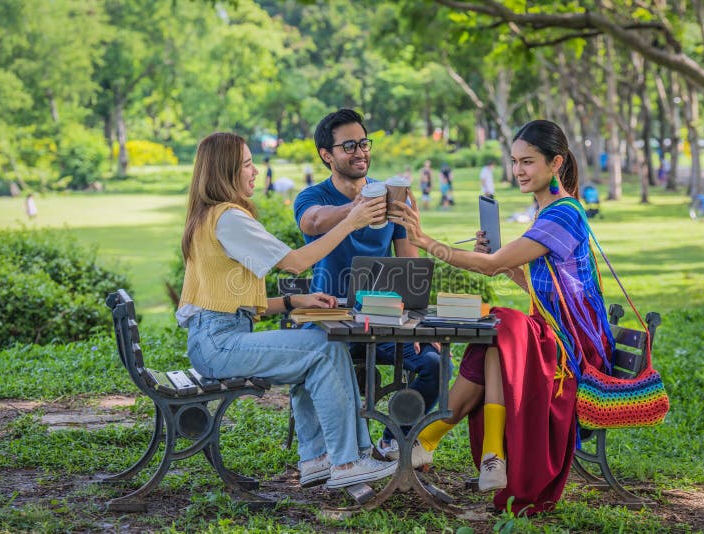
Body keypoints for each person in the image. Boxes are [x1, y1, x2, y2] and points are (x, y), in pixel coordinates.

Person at [389, 120, 615, 515]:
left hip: (576, 350)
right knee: (499, 330)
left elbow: (492, 266)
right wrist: (503, 263)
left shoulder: (564, 215)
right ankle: (480, 454)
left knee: (501, 324)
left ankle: (429, 440)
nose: (519, 171)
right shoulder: (550, 212)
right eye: (514, 162)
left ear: (556, 162)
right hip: (554, 336)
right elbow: (533, 287)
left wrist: (426, 242)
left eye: (528, 161)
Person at [177, 132, 396, 489]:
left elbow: (232, 301)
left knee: (313, 343)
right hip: (218, 343)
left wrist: (295, 302)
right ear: (226, 171)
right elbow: (295, 263)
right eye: (247, 165)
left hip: (213, 339)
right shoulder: (229, 218)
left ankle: (318, 459)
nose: (255, 172)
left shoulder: (210, 216)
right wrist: (351, 221)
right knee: (324, 347)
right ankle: (348, 462)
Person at [293, 109, 446, 461]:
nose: (360, 151)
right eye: (349, 145)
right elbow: (313, 221)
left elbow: (408, 263)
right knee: (325, 369)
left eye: (364, 142)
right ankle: (338, 455)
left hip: (384, 319)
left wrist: (421, 324)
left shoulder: (394, 198)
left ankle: (395, 439)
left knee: (435, 364)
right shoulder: (313, 197)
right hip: (331, 318)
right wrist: (358, 208)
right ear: (326, 155)